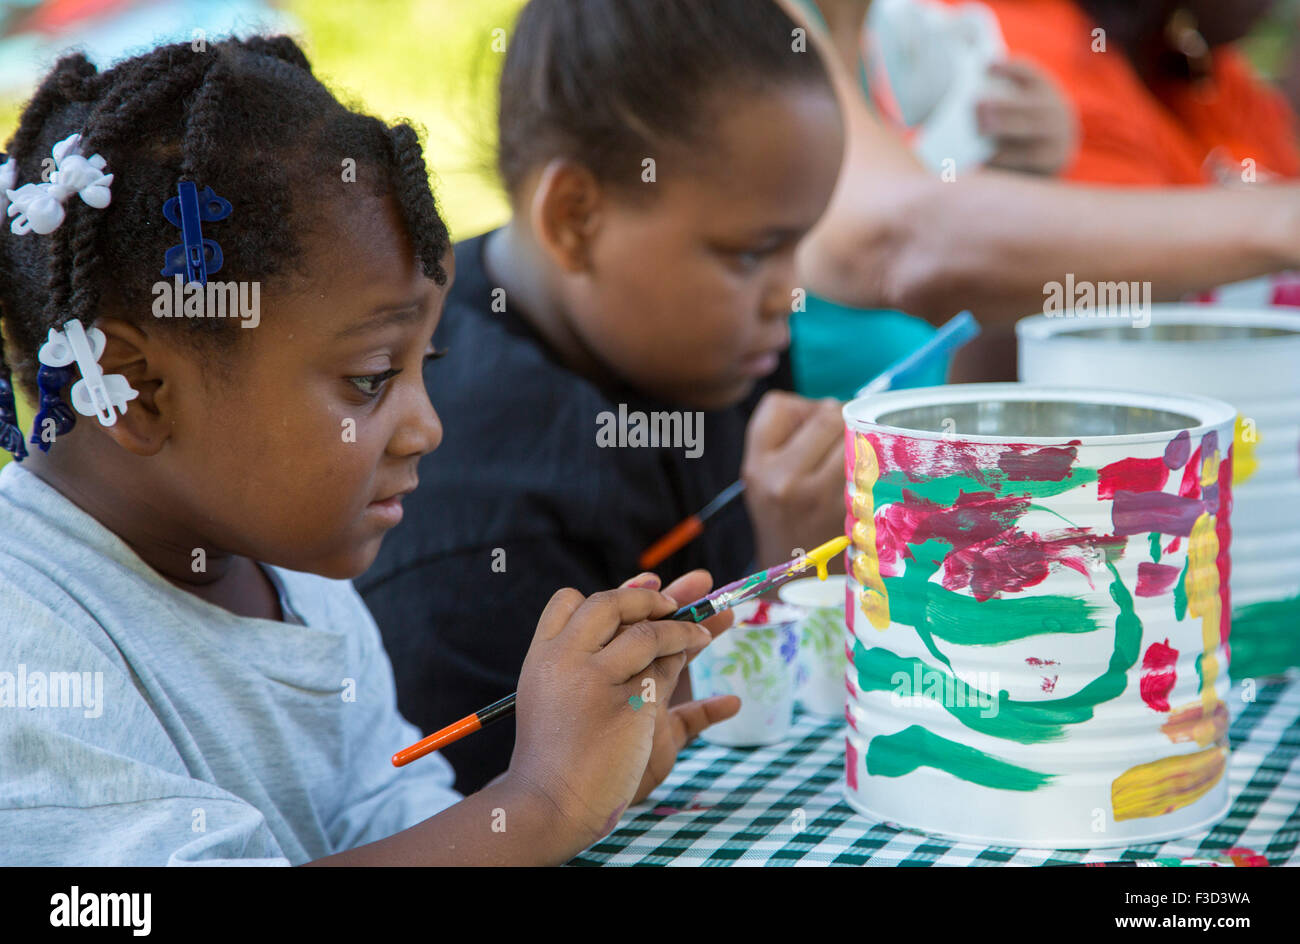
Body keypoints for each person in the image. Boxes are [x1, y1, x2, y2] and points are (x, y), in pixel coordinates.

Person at [0, 35, 739, 865]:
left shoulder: (297, 583)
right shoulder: (25, 637)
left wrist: (581, 791)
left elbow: (386, 823)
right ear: (138, 388)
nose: (428, 428)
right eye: (370, 379)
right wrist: (539, 806)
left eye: (429, 366)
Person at [358, 0, 848, 794]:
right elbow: (527, 806)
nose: (787, 296)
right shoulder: (467, 503)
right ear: (576, 217)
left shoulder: (705, 338)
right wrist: (777, 582)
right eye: (753, 252)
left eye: (800, 243)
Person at [783, 0, 1300, 380]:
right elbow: (897, 248)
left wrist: (1020, 182)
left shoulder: (908, 40)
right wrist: (1277, 222)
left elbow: (957, 382)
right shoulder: (763, 27)